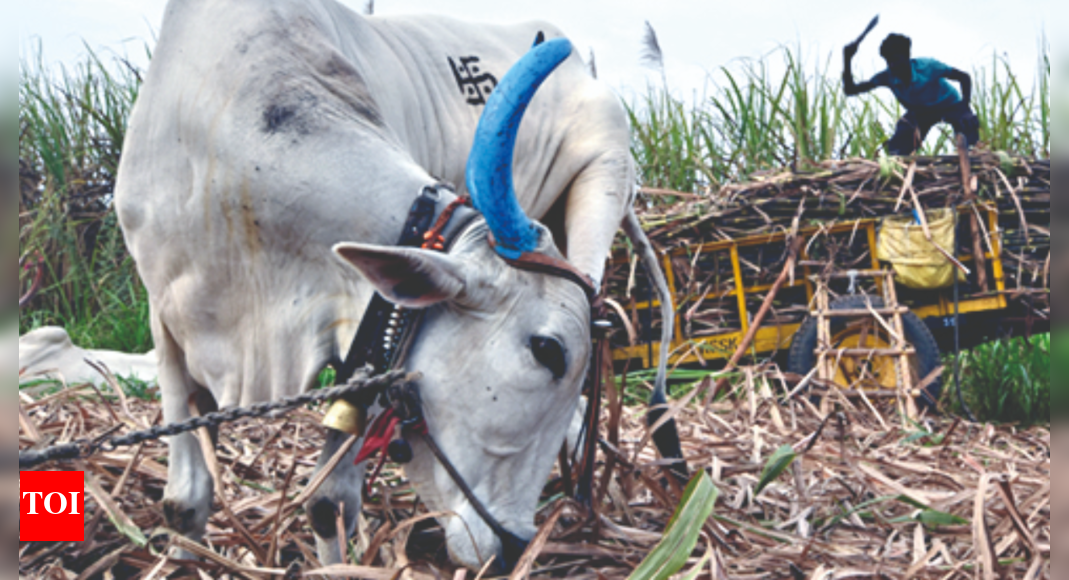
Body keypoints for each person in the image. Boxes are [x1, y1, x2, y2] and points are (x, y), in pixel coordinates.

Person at [844, 33, 980, 155]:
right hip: (920, 112)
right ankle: (901, 167)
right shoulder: (887, 77)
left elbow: (964, 77)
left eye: (896, 59)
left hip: (949, 105)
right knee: (899, 143)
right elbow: (851, 90)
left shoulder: (928, 67)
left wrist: (965, 108)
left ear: (907, 56)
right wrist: (847, 60)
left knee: (967, 124)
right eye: (889, 61)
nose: (892, 65)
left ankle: (972, 156)